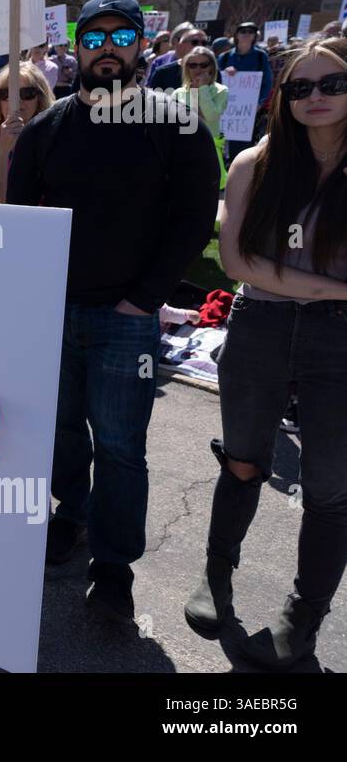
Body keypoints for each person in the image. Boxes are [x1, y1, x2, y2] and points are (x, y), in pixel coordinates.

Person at [8, 0, 220, 624]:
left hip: (127, 322)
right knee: (63, 433)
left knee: (123, 448)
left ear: (140, 45)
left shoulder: (179, 127)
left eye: (118, 36)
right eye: (93, 38)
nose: (105, 49)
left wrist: (145, 299)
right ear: (77, 49)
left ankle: (114, 566)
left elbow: (191, 222)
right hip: (56, 314)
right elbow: (19, 223)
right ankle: (68, 517)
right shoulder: (46, 129)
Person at [184, 39, 347, 670]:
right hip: (263, 326)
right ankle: (217, 576)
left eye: (331, 85)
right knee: (245, 460)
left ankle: (303, 616)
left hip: (338, 340)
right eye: (301, 87)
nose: (315, 98)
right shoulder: (257, 163)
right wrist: (333, 287)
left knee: (331, 488)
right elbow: (237, 264)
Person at [0, 62, 54, 204]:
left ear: (40, 99)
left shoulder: (54, 142)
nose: (17, 101)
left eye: (27, 94)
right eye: (7, 94)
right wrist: (2, 150)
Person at [217, 21, 275, 161]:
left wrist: (259, 104)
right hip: (226, 109)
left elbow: (267, 83)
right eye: (243, 31)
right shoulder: (224, 57)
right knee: (221, 144)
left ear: (255, 36)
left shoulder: (261, 56)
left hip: (248, 112)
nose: (247, 35)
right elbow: (215, 80)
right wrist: (224, 73)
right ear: (236, 35)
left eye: (251, 32)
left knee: (243, 147)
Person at [173, 45, 229, 184]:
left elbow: (210, 117)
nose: (198, 69)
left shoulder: (221, 91)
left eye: (203, 65)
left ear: (211, 67)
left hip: (208, 149)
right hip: (183, 150)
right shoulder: (178, 93)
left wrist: (202, 88)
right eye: (193, 65)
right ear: (187, 68)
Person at [148, 25, 208, 92]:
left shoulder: (212, 71)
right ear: (181, 44)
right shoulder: (162, 72)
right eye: (194, 42)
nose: (200, 46)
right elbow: (151, 99)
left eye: (204, 43)